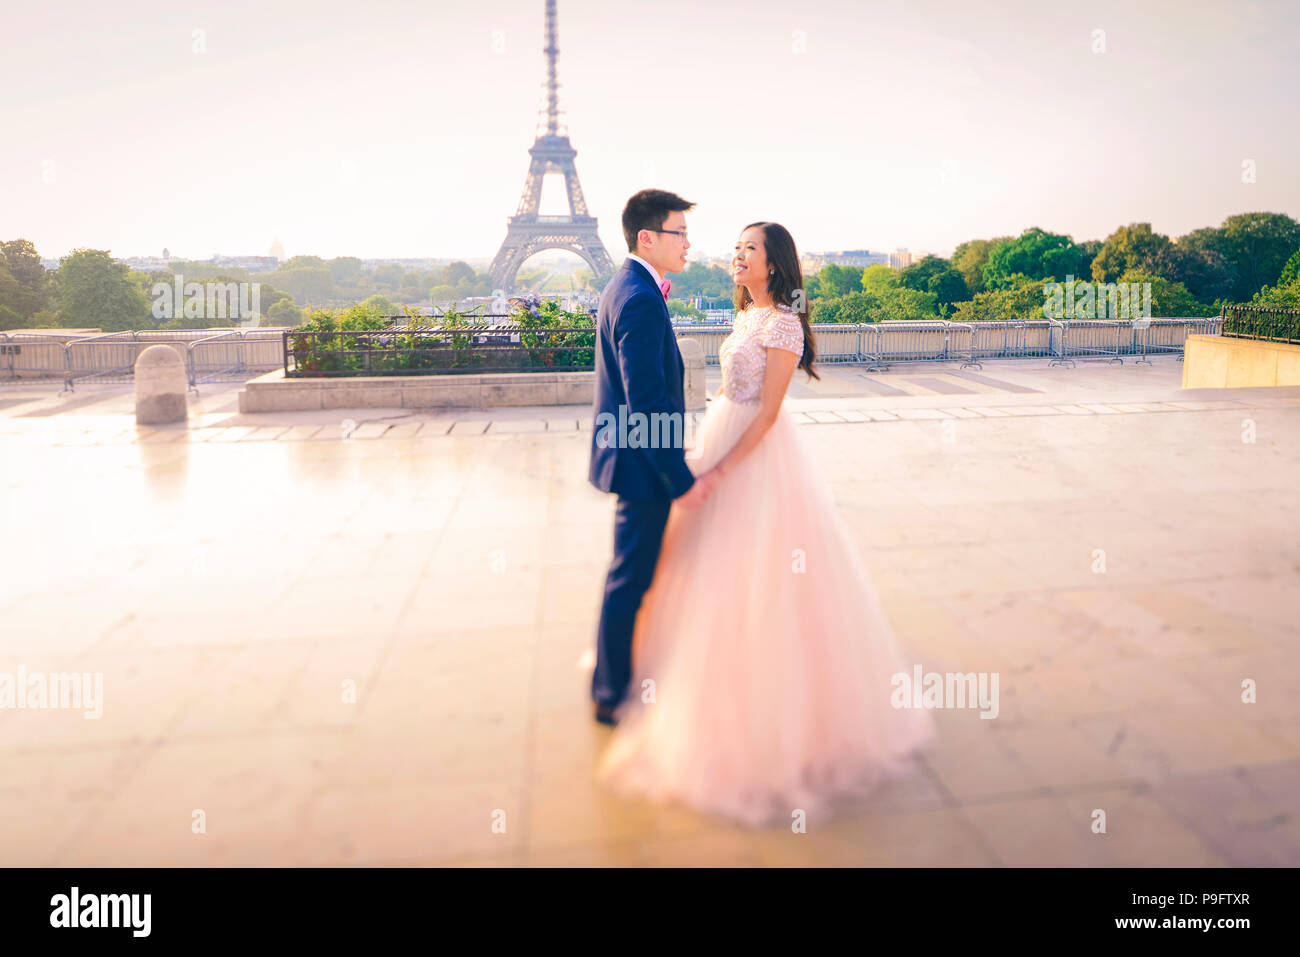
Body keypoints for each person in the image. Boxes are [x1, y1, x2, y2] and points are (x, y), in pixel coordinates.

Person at [592, 221, 936, 828]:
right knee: (697, 565)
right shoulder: (747, 316)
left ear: (773, 263)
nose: (737, 255)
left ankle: (761, 703)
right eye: (736, 247)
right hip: (718, 435)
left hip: (752, 454)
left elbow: (770, 412)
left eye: (749, 248)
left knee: (756, 572)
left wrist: (723, 468)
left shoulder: (781, 323)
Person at [588, 189, 721, 727]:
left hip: (632, 457)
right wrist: (679, 479)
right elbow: (645, 402)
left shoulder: (627, 286)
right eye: (679, 233)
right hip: (643, 468)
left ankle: (613, 680)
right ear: (647, 237)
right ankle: (609, 691)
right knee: (630, 578)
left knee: (631, 574)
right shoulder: (641, 297)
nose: (688, 244)